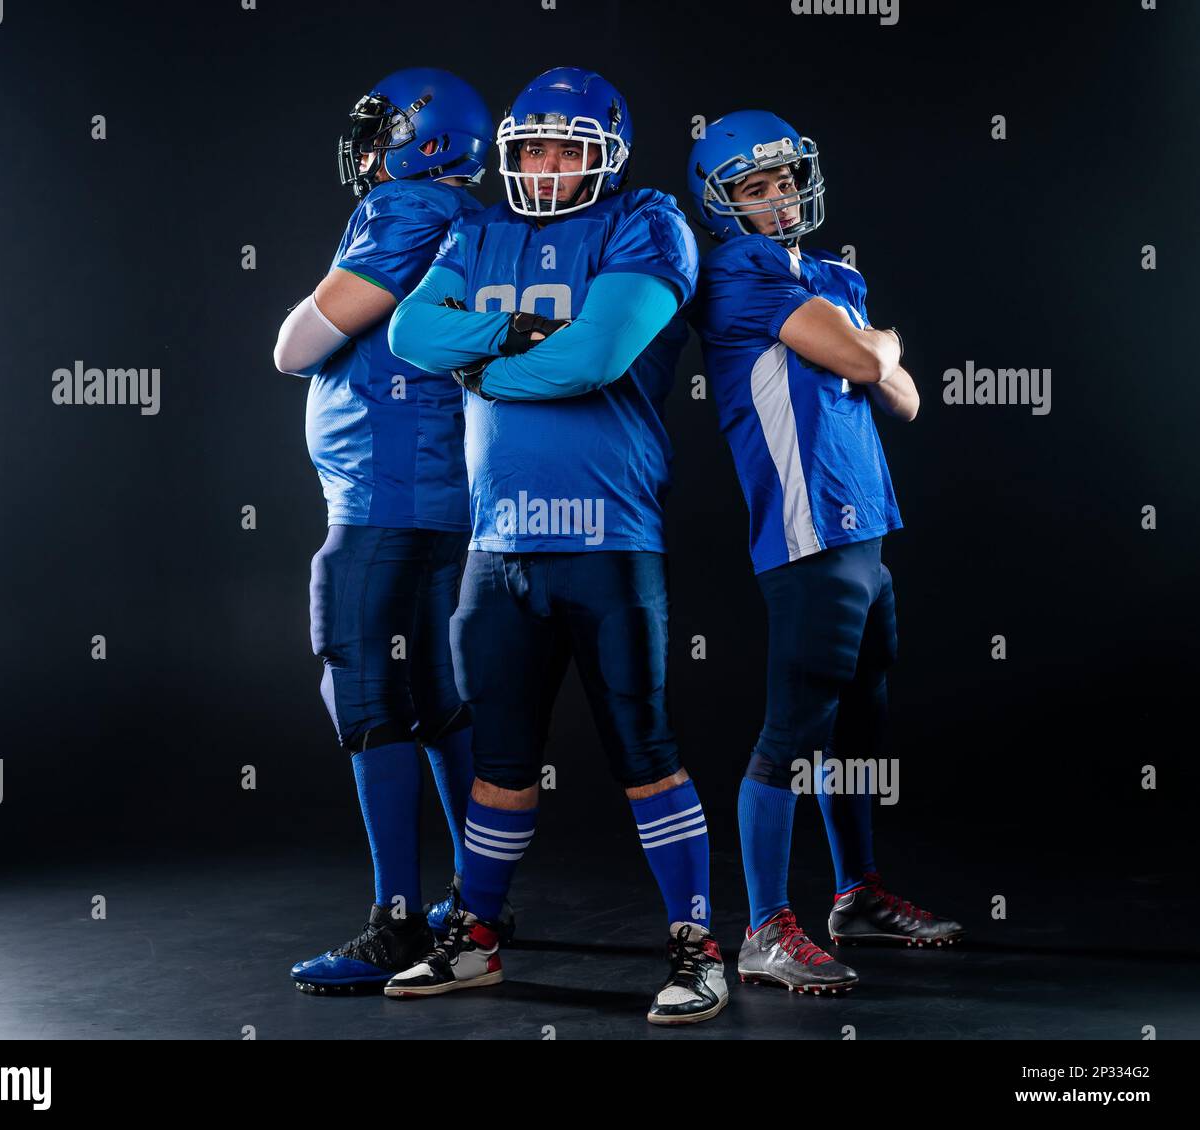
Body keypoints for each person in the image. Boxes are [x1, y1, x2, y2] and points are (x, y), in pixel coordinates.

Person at [382, 67, 726, 1025]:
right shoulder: (476, 226)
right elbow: (412, 331)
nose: (543, 165)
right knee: (500, 760)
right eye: (530, 147)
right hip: (498, 550)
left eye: (564, 149)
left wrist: (484, 369)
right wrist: (520, 331)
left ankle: (698, 946)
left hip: (609, 540)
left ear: (603, 155)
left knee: (645, 753)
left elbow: (597, 357)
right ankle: (479, 938)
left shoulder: (645, 222)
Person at [687, 110, 963, 996]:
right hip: (808, 534)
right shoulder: (736, 271)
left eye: (784, 180)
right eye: (753, 188)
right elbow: (863, 356)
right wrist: (875, 348)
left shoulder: (831, 272)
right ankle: (765, 926)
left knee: (860, 723)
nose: (776, 200)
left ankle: (856, 895)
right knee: (790, 736)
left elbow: (907, 402)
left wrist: (873, 358)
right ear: (723, 204)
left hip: (867, 527)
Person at [274, 67, 510, 994]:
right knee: (439, 696)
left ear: (429, 141)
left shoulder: (406, 206)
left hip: (385, 493)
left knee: (367, 691)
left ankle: (398, 925)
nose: (369, 152)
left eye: (383, 133)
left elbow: (295, 345)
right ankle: (477, 907)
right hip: (441, 488)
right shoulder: (472, 214)